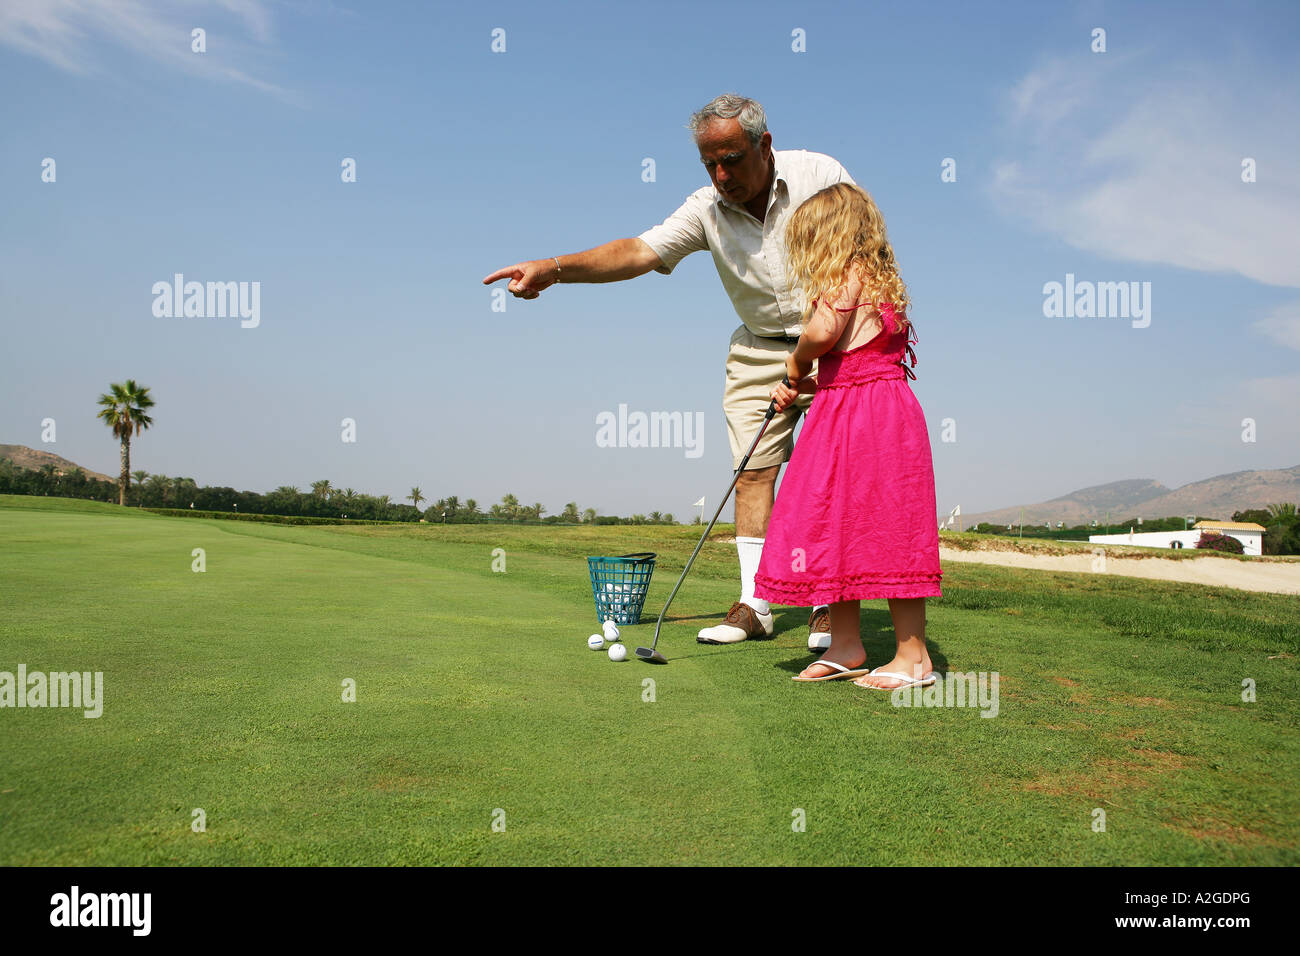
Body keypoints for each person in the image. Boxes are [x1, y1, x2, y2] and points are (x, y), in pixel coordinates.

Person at [482, 93, 857, 652]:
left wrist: (817, 353)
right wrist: (555, 269)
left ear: (765, 145)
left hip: (834, 338)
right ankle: (757, 605)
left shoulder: (820, 175)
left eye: (731, 158)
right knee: (752, 472)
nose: (721, 174)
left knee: (825, 473)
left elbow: (859, 257)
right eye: (710, 163)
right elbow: (639, 251)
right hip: (758, 348)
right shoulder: (706, 208)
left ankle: (829, 605)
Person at [753, 183, 943, 688]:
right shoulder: (880, 280)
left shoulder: (848, 272)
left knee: (889, 528)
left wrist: (794, 366)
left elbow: (820, 335)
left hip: (868, 421)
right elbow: (856, 363)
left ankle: (913, 657)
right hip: (861, 409)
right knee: (838, 523)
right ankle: (846, 645)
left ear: (833, 236)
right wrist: (806, 387)